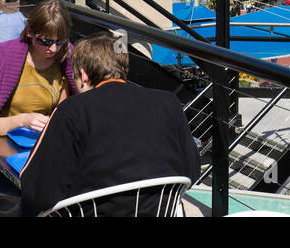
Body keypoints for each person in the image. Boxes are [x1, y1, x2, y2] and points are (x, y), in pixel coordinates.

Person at [20, 33, 199, 216]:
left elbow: (36, 192)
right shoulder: (168, 102)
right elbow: (191, 171)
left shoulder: (72, 111)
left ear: (83, 75)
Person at [0, 0, 77, 204]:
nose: (52, 48)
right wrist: (23, 120)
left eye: (59, 42)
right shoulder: (4, 56)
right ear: (30, 32)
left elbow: (65, 108)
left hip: (43, 150)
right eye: (45, 41)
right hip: (4, 152)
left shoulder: (66, 56)